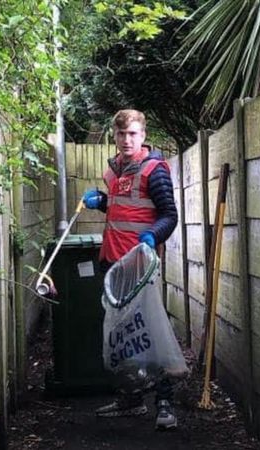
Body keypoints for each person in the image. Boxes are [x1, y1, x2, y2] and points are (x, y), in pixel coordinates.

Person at [82, 109, 180, 430]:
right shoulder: (114, 171)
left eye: (133, 134)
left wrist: (154, 236)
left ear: (144, 135)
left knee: (148, 330)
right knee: (121, 335)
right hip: (112, 262)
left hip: (139, 263)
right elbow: (124, 206)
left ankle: (164, 403)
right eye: (122, 134)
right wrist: (102, 201)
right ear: (114, 135)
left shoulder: (155, 170)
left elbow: (169, 214)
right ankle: (131, 398)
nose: (127, 140)